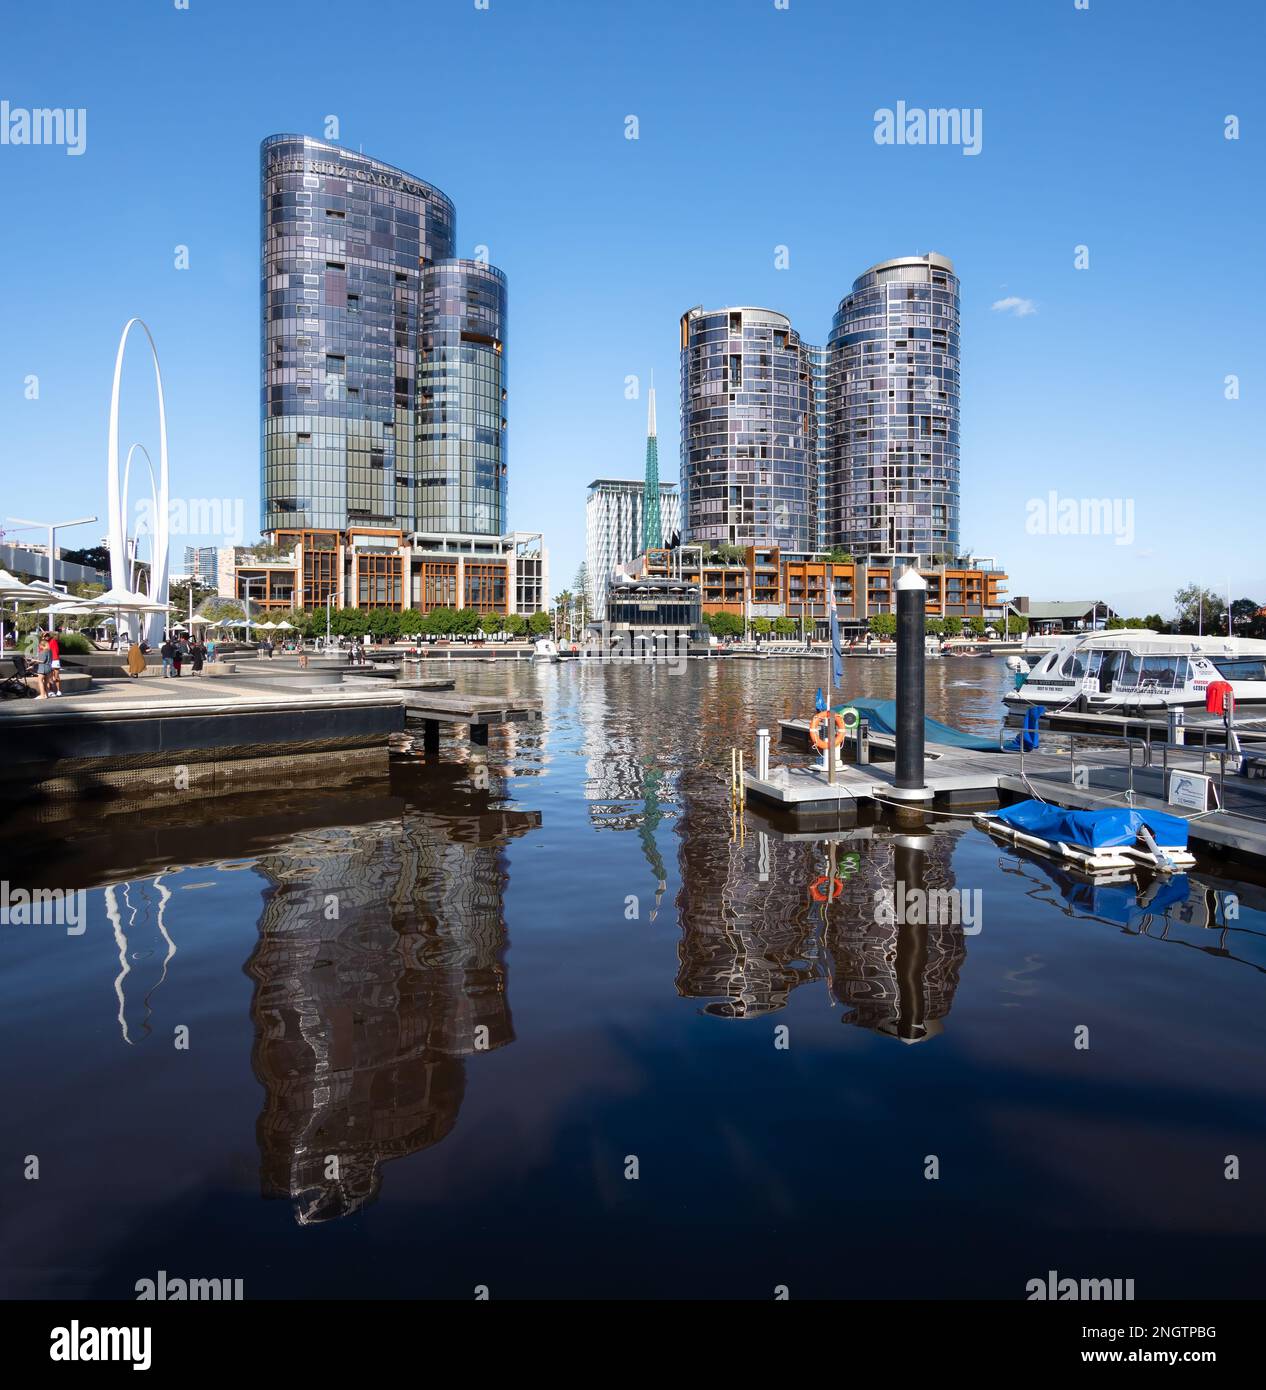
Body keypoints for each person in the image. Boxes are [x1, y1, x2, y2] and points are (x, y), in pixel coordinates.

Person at [35, 633, 52, 698]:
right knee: (47, 681)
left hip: (43, 668)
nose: (39, 646)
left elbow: (42, 661)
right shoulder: (49, 651)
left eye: (40, 645)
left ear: (42, 645)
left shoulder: (43, 651)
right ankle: (47, 695)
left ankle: (42, 695)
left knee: (40, 680)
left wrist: (34, 661)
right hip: (48, 667)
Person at [46, 630, 63, 696]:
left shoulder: (53, 640)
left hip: (55, 659)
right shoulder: (48, 641)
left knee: (56, 676)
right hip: (51, 660)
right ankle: (52, 690)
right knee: (50, 676)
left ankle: (58, 690)